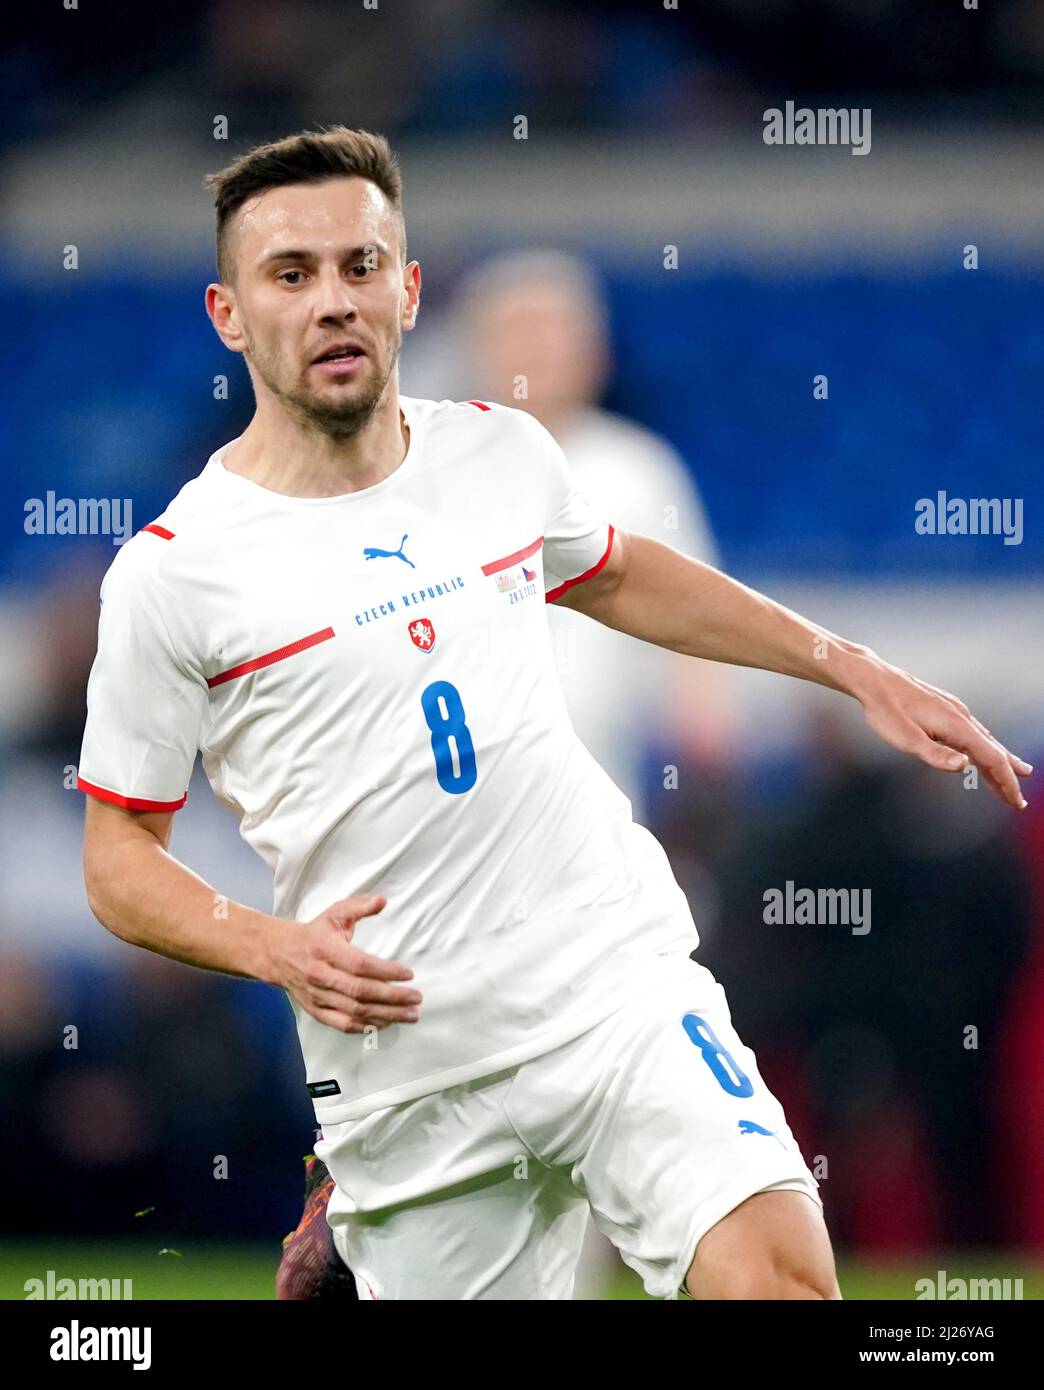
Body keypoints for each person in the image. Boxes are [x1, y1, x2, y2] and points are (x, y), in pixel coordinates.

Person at [77, 126, 1031, 1301]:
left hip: (608, 980)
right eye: (292, 273)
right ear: (228, 313)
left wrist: (849, 665)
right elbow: (119, 859)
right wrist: (276, 950)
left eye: (361, 266)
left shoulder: (499, 451)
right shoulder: (175, 572)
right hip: (410, 1056)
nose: (334, 301)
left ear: (410, 291)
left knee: (782, 1282)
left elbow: (623, 571)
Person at [448, 249, 735, 817]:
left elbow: (700, 621)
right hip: (457, 795)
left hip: (603, 789)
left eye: (558, 332)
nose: (540, 351)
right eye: (518, 331)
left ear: (595, 352)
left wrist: (705, 741)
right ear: (478, 349)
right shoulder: (432, 467)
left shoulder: (639, 470)